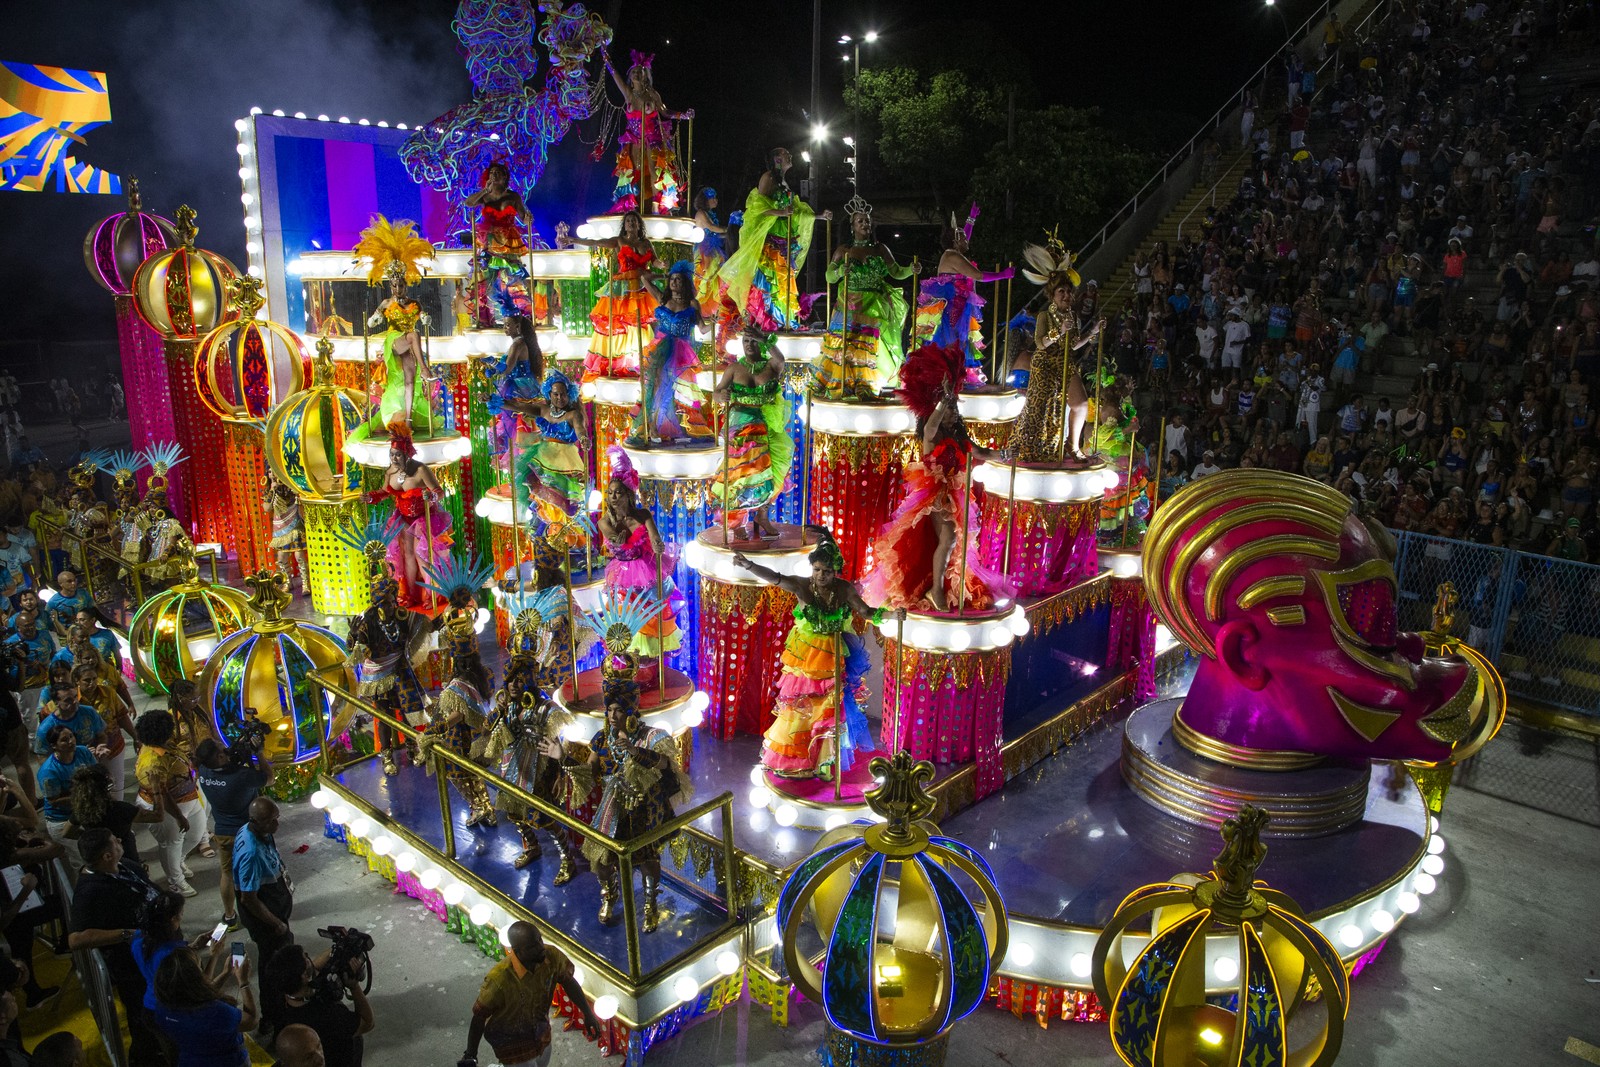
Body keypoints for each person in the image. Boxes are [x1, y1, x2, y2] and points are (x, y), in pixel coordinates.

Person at [862, 344, 1011, 612]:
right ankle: (936, 590)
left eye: (956, 410)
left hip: (957, 495)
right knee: (949, 539)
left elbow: (982, 452)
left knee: (953, 544)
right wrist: (944, 399)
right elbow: (931, 426)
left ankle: (937, 587)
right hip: (935, 494)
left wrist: (1007, 454)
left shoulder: (959, 438)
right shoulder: (930, 437)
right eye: (950, 410)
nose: (954, 414)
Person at [732, 530, 878, 782]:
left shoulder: (843, 589)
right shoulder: (801, 585)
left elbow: (865, 611)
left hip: (833, 654)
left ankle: (823, 762)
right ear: (812, 568)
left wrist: (889, 615)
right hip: (805, 657)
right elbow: (775, 578)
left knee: (829, 711)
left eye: (828, 571)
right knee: (800, 709)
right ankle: (799, 759)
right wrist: (748, 564)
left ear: (836, 572)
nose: (822, 575)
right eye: (818, 570)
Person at [572, 668, 690, 930]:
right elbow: (589, 772)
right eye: (609, 709)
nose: (612, 715)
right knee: (602, 861)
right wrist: (563, 761)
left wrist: (636, 752)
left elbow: (664, 764)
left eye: (618, 709)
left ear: (630, 710)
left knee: (648, 861)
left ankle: (650, 903)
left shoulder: (651, 736)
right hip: (612, 813)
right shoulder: (602, 739)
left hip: (645, 811)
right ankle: (609, 895)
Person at [66, 828, 168, 1066]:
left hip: (157, 951)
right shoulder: (89, 891)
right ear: (106, 856)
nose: (120, 840)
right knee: (143, 1018)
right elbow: (76, 939)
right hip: (134, 967)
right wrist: (126, 934)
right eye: (114, 841)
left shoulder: (125, 866)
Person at [715, 147, 831, 332]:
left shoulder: (783, 182)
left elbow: (797, 211)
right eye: (785, 153)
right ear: (777, 158)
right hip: (771, 242)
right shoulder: (768, 177)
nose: (790, 155)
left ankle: (782, 321)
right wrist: (781, 212)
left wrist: (819, 216)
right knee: (771, 282)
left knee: (784, 281)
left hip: (785, 242)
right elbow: (755, 208)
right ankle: (768, 323)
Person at [488, 657, 580, 878]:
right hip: (512, 766)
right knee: (513, 812)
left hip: (538, 770)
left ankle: (567, 859)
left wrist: (559, 773)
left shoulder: (546, 708)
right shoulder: (507, 705)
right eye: (510, 680)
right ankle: (531, 846)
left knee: (545, 818)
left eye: (519, 681)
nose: (513, 685)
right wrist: (499, 712)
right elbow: (487, 730)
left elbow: (557, 744)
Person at [463, 921, 601, 1067]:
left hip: (541, 1035)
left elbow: (568, 981)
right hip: (512, 1045)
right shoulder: (499, 979)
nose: (540, 947)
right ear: (517, 951)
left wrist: (588, 1013)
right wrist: (471, 1054)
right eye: (532, 947)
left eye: (539, 940)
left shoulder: (551, 956)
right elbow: (479, 1016)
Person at [817, 196, 917, 399]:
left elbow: (896, 272)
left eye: (868, 220)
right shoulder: (844, 250)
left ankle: (866, 384)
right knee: (846, 346)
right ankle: (845, 383)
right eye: (861, 220)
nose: (866, 224)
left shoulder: (880, 249)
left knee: (868, 347)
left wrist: (911, 270)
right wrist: (839, 272)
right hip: (850, 305)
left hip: (874, 306)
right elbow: (829, 276)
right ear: (852, 226)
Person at [1017, 239, 1105, 464]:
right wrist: (1058, 331)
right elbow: (1039, 344)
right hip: (1045, 364)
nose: (1066, 295)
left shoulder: (1073, 316)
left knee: (1081, 404)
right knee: (1043, 409)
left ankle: (1073, 446)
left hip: (1066, 363)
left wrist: (1091, 332)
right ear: (1053, 295)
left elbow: (1074, 344)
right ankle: (1034, 447)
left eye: (1068, 291)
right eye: (1061, 292)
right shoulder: (1045, 315)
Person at [598, 449, 680, 689]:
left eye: (618, 493)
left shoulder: (643, 514)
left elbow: (656, 538)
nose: (613, 497)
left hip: (647, 572)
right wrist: (617, 537)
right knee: (628, 625)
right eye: (610, 493)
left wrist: (657, 543)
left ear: (628, 494)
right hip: (622, 577)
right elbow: (617, 541)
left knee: (650, 623)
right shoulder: (604, 521)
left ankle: (649, 675)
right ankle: (629, 672)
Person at [351, 218, 436, 440]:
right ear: (391, 285)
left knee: (409, 379)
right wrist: (373, 320)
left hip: (409, 347)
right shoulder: (387, 303)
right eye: (395, 285)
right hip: (394, 342)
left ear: (406, 284)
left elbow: (424, 317)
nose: (398, 288)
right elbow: (373, 321)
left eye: (401, 284)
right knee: (413, 334)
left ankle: (406, 419)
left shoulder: (414, 303)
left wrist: (425, 318)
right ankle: (425, 368)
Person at [709, 324, 793, 540]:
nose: (749, 345)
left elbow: (781, 360)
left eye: (753, 341)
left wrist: (765, 338)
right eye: (746, 341)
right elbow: (716, 393)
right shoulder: (734, 368)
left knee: (772, 472)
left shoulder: (771, 365)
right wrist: (721, 396)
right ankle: (737, 522)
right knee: (740, 474)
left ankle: (762, 516)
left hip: (767, 423)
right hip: (741, 427)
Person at [914, 206, 1013, 380]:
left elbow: (963, 236)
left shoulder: (955, 252)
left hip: (958, 308)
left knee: (959, 343)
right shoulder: (953, 256)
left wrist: (971, 218)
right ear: (955, 241)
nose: (968, 239)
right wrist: (1002, 275)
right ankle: (947, 379)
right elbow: (978, 275)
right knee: (951, 344)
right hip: (951, 310)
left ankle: (954, 377)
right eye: (963, 238)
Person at [346, 573, 429, 777]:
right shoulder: (368, 622)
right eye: (386, 602)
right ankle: (386, 755)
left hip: (400, 667)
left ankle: (412, 745)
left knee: (408, 709)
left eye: (393, 600)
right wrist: (353, 634)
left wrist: (447, 614)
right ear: (377, 604)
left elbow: (424, 625)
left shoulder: (401, 617)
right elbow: (354, 650)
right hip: (379, 674)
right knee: (384, 717)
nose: (391, 606)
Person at [418, 622, 496, 828]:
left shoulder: (458, 686)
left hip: (460, 736)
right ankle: (487, 807)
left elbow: (458, 714)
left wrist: (440, 726)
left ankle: (477, 806)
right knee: (476, 771)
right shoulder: (486, 674)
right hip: (481, 732)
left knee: (457, 774)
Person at [364, 435, 451, 610]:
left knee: (422, 557)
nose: (394, 458)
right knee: (407, 556)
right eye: (391, 454)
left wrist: (431, 496)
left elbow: (439, 491)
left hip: (422, 519)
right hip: (402, 519)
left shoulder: (420, 470)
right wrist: (371, 497)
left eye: (397, 454)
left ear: (407, 454)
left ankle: (431, 594)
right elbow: (384, 491)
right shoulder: (390, 471)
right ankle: (409, 594)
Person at [194, 736, 273, 929]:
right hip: (249, 833)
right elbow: (269, 779)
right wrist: (259, 753)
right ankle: (265, 910)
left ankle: (229, 916)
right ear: (220, 756)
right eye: (223, 748)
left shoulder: (203, 770)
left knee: (227, 873)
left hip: (223, 832)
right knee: (261, 870)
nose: (226, 748)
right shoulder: (242, 776)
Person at [567, 210, 656, 379]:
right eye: (628, 221)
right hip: (622, 289)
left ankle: (637, 362)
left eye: (634, 221)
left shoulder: (646, 243)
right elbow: (596, 242)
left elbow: (655, 261)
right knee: (619, 323)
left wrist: (662, 264)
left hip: (641, 288)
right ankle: (620, 362)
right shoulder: (619, 241)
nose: (631, 223)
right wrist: (573, 240)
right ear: (624, 225)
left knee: (638, 325)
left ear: (639, 224)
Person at [600, 48, 690, 215]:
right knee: (631, 169)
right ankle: (628, 205)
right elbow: (615, 75)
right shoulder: (628, 93)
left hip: (653, 137)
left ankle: (658, 205)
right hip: (634, 138)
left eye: (640, 72)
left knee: (655, 170)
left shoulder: (652, 94)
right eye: (633, 72)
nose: (636, 74)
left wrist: (682, 115)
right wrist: (605, 57)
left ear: (645, 75)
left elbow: (665, 112)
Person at [500, 368, 588, 522]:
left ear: (569, 394)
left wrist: (583, 438)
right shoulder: (543, 409)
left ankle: (558, 527)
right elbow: (518, 406)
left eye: (563, 394)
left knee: (561, 496)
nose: (559, 398)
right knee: (541, 494)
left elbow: (580, 428)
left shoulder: (573, 414)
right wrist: (495, 401)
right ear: (549, 394)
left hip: (564, 460)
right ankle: (544, 526)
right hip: (543, 454)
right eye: (556, 394)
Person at [135, 710, 207, 897]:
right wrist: (179, 816)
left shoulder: (166, 746)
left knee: (196, 834)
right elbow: (162, 795)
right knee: (171, 843)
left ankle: (179, 862)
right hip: (167, 808)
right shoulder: (152, 762)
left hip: (188, 799)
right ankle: (176, 882)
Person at [264, 944, 373, 1067]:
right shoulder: (329, 1015)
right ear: (305, 976)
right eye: (306, 958)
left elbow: (314, 966)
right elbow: (367, 1022)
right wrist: (354, 986)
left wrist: (338, 948)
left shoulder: (284, 997)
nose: (309, 957)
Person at [151, 945, 256, 1067]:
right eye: (199, 968)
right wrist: (243, 982)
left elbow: (198, 996)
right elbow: (251, 1021)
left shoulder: (162, 1008)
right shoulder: (215, 1012)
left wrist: (225, 973)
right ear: (195, 980)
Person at [635, 260, 703, 442]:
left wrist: (715, 322)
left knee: (670, 389)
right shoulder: (663, 299)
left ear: (685, 283)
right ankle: (651, 426)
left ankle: (665, 426)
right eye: (672, 279)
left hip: (680, 350)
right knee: (655, 385)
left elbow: (702, 328)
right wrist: (663, 275)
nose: (674, 282)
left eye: (678, 279)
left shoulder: (692, 304)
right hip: (661, 347)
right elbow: (644, 278)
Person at [464, 161, 535, 322]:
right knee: (486, 277)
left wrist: (528, 219)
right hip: (488, 241)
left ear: (504, 177)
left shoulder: (513, 196)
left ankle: (513, 316)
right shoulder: (485, 196)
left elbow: (523, 218)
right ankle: (485, 316)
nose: (494, 175)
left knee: (510, 277)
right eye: (491, 173)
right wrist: (484, 190)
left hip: (508, 241)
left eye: (498, 173)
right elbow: (468, 203)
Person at [235, 796, 293, 966]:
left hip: (274, 904)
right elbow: (249, 899)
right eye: (271, 820)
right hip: (266, 921)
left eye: (277, 818)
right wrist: (277, 924)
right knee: (274, 960)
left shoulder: (255, 830)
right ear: (255, 821)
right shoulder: (251, 855)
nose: (277, 824)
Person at [70, 763, 159, 864]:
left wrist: (94, 839)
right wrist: (155, 787)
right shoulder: (120, 809)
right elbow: (158, 816)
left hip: (101, 859)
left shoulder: (82, 808)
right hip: (126, 855)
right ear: (107, 785)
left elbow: (67, 832)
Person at [36, 725, 100, 841]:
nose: (71, 741)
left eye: (71, 736)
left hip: (84, 812)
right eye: (64, 740)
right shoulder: (48, 771)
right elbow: (53, 801)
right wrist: (84, 796)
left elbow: (96, 773)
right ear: (54, 746)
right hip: (62, 819)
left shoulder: (83, 752)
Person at [264, 471, 308, 597]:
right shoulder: (269, 489)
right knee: (281, 557)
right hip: (280, 524)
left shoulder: (290, 484)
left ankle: (305, 583)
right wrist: (272, 490)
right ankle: (288, 582)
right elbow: (267, 508)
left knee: (298, 553)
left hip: (294, 521)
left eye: (275, 471)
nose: (273, 474)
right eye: (270, 472)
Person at [690, 187, 729, 316]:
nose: (716, 200)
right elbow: (712, 227)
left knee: (716, 278)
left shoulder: (709, 214)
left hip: (713, 249)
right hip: (704, 249)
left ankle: (714, 309)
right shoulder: (701, 213)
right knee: (706, 275)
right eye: (713, 198)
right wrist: (728, 230)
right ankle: (703, 309)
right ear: (706, 200)